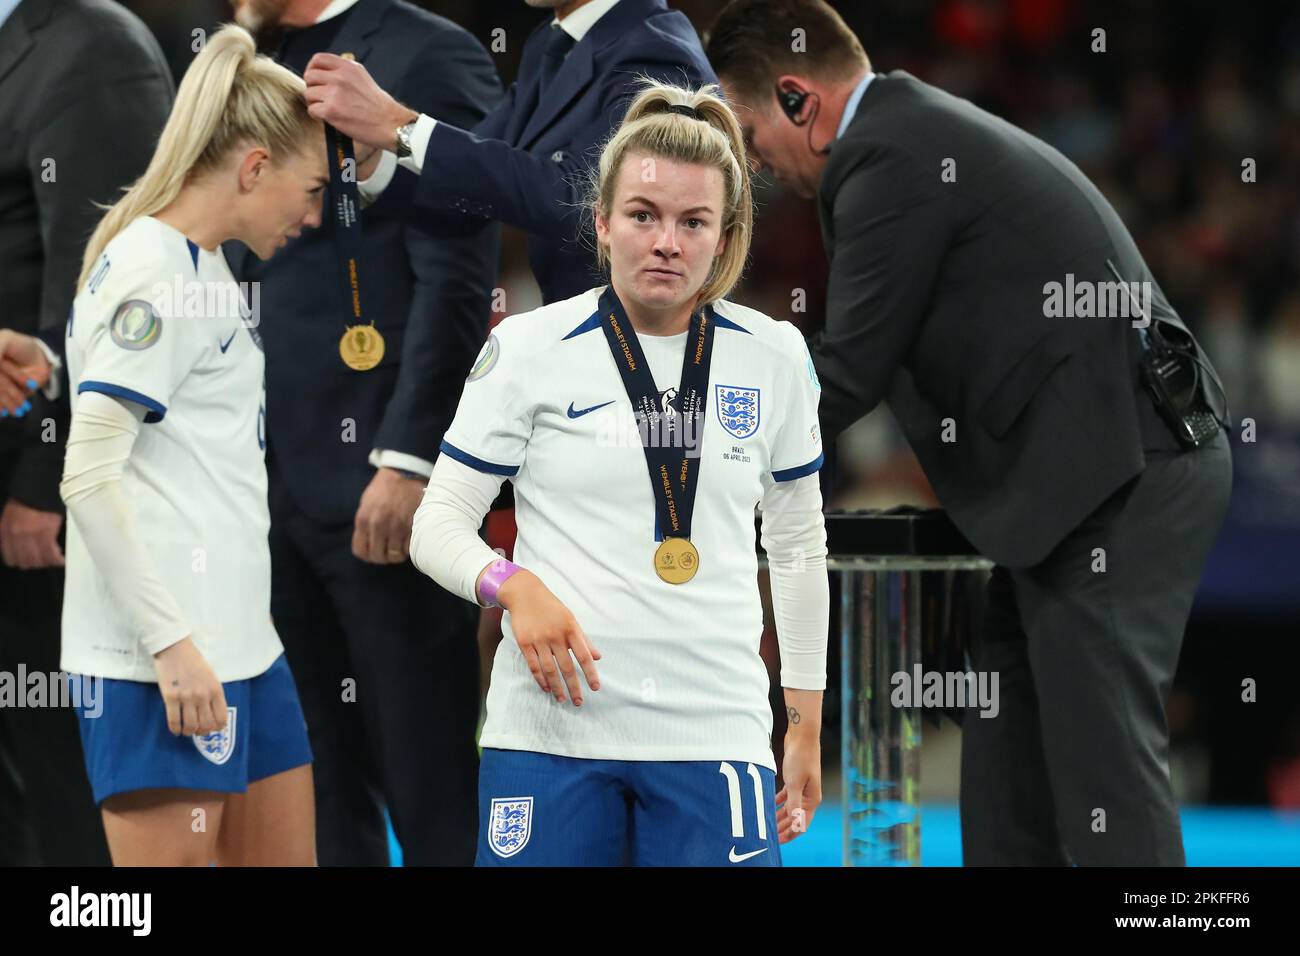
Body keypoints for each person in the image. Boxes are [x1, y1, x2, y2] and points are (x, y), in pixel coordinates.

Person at [705, 0, 1234, 865]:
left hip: (1123, 477)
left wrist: (708, 463)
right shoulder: (904, 136)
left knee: (1102, 775)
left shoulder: (888, 154)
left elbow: (847, 372)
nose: (753, 157)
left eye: (752, 129)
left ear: (798, 99)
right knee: (1007, 775)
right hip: (1073, 492)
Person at [410, 80, 830, 866]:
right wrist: (512, 585)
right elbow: (434, 524)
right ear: (602, 223)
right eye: (643, 215)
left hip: (715, 734)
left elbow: (800, 547)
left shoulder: (773, 355)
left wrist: (802, 726)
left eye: (692, 221)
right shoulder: (527, 348)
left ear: (724, 236)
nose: (666, 241)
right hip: (549, 733)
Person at [4, 23, 326, 866]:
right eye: (310, 189)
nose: (313, 215)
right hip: (162, 659)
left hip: (243, 643)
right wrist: (170, 647)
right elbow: (88, 478)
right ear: (254, 167)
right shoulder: (157, 271)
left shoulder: (200, 264)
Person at [225, 0, 500, 867]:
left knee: (429, 779)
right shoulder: (241, 59)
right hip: (256, 483)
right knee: (311, 785)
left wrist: (411, 459)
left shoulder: (430, 54)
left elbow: (459, 274)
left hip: (376, 481)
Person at [0, 0, 173, 866]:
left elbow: (103, 285)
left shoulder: (91, 45)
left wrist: (45, 484)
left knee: (62, 757)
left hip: (39, 488)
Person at [301, 0, 717, 305]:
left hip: (644, 355)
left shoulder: (656, 53)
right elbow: (462, 198)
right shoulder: (553, 42)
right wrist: (372, 153)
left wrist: (400, 124)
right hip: (583, 343)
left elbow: (587, 205)